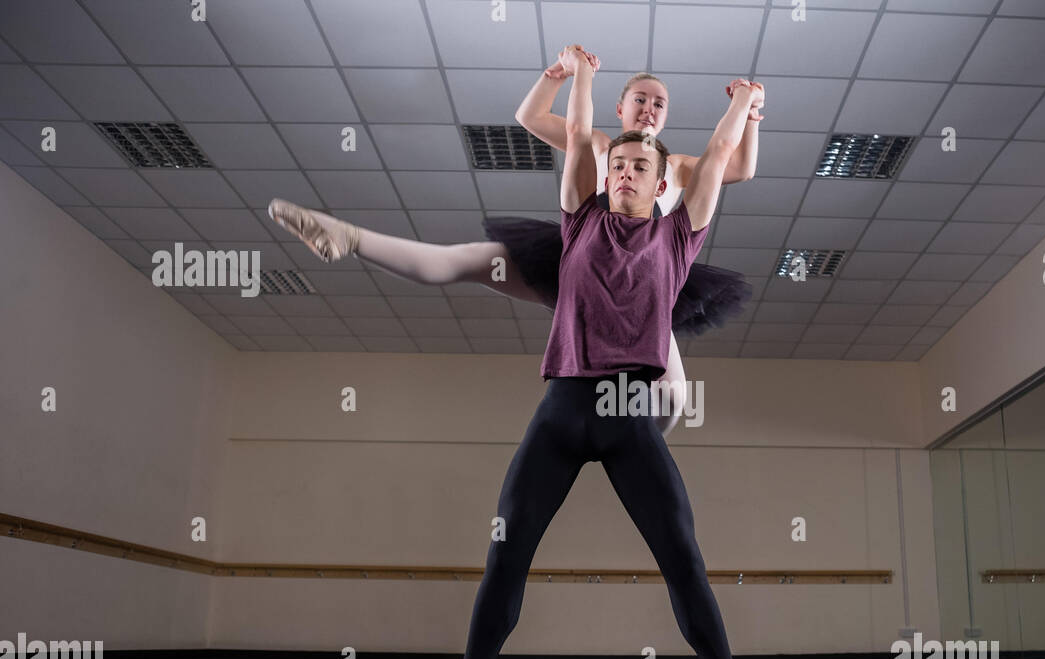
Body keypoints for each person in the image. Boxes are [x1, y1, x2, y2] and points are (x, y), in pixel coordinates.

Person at [398, 45, 798, 659]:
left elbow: (721, 154)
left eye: (640, 166)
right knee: (507, 550)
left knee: (681, 553)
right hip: (562, 410)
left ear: (659, 182)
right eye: (618, 164)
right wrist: (581, 76)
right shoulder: (578, 222)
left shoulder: (679, 240)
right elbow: (580, 133)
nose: (624, 171)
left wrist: (744, 101)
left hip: (628, 415)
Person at [267, 46, 764, 435]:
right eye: (641, 99)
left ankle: (640, 442)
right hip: (580, 262)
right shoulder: (592, 142)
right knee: (466, 261)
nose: (651, 109)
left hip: (643, 286)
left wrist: (753, 120)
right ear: (621, 106)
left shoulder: (674, 166)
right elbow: (530, 116)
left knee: (675, 397)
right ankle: (349, 237)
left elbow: (738, 165)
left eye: (660, 103)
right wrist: (557, 75)